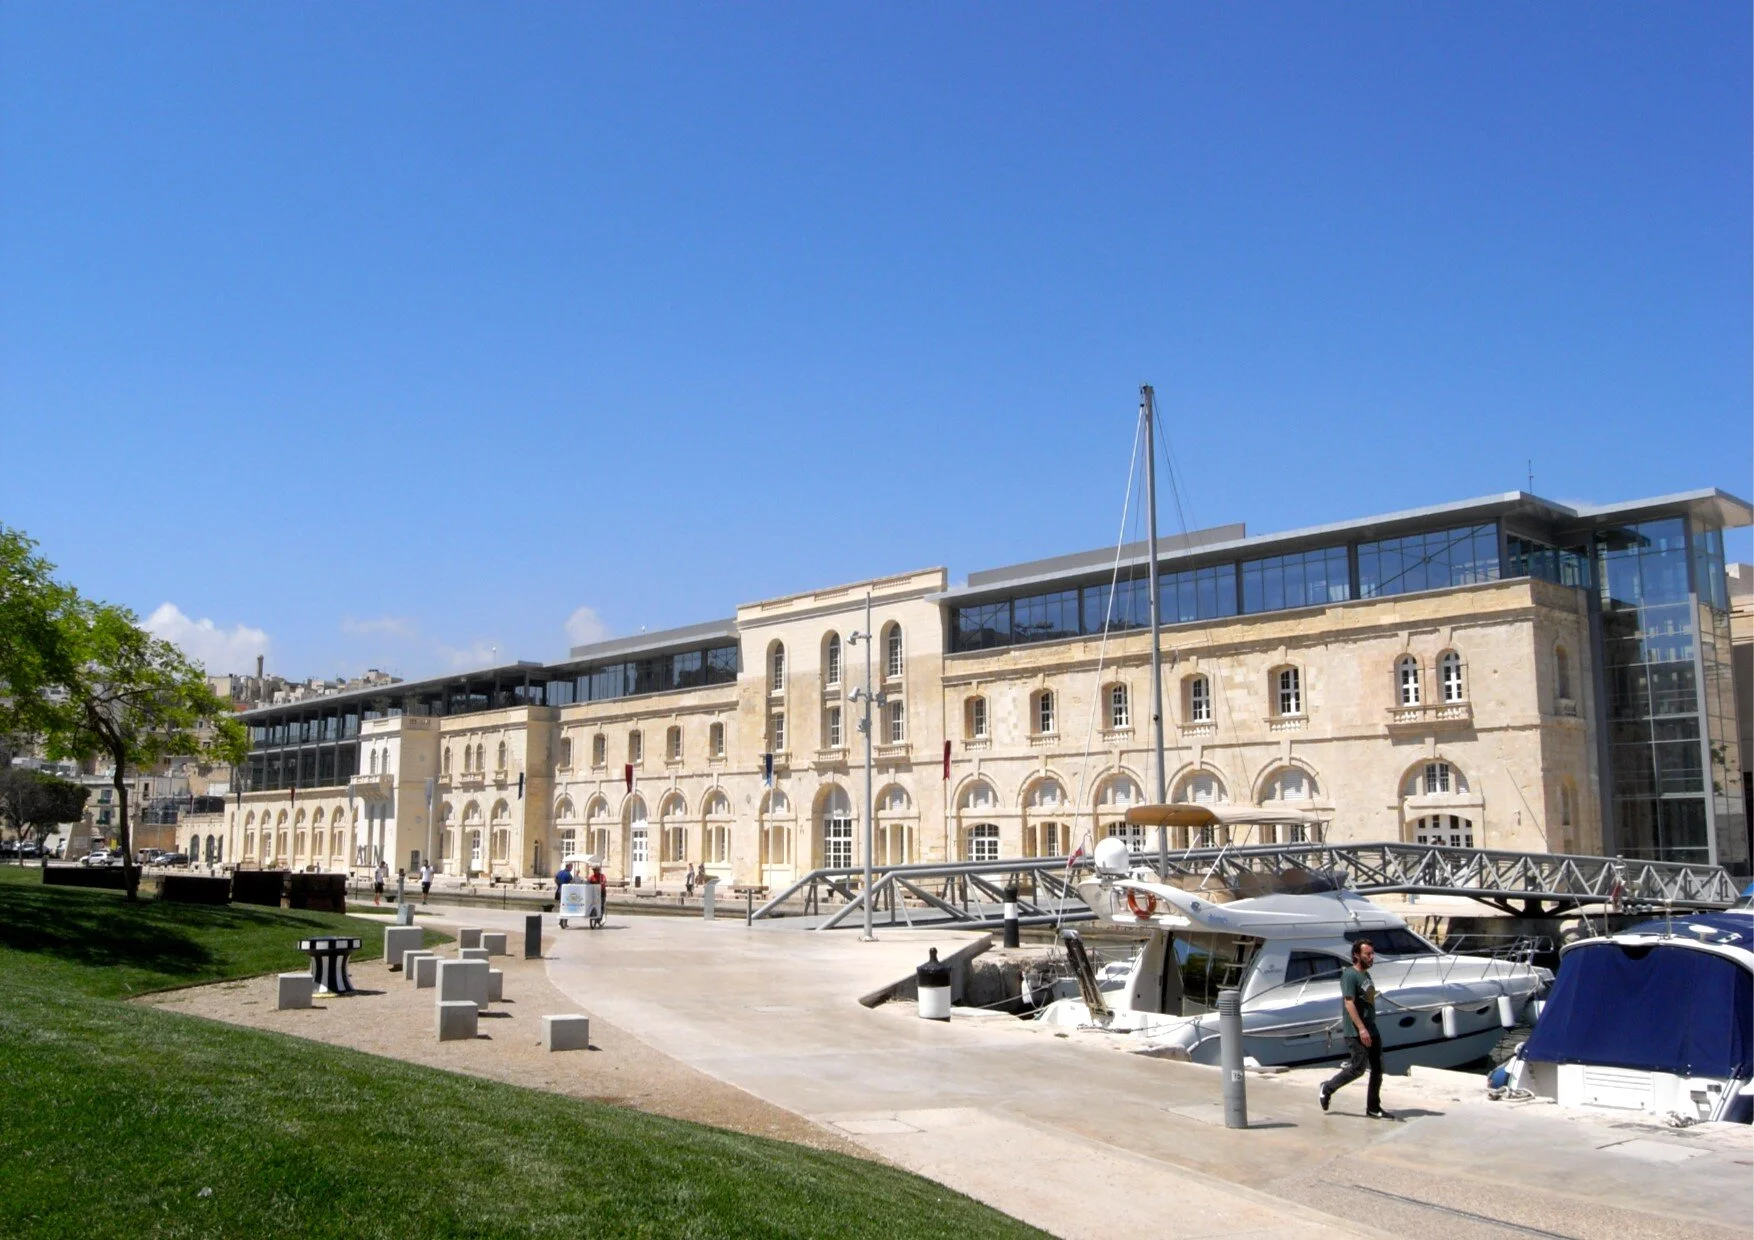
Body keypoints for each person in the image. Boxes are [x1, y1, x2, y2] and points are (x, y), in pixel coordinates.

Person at [1320, 939, 1391, 1118]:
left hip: (1371, 1028)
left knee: (1378, 1068)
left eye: (1372, 953)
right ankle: (1327, 1088)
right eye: (1368, 954)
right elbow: (1349, 1003)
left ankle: (1373, 1107)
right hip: (1357, 1031)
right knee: (1358, 1068)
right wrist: (1361, 1029)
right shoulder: (1350, 975)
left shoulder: (1365, 975)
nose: (1372, 957)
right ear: (1357, 955)